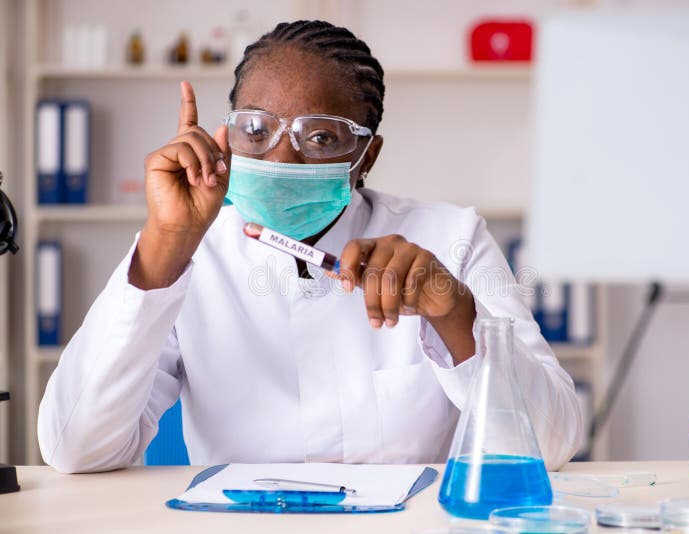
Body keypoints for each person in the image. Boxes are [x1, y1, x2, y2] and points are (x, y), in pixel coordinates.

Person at [38, 20, 582, 473]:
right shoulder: (187, 251)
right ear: (226, 137)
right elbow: (75, 450)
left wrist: (452, 310)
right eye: (257, 130)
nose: (280, 161)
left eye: (320, 137)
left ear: (366, 156)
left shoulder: (451, 239)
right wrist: (166, 244)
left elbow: (552, 445)